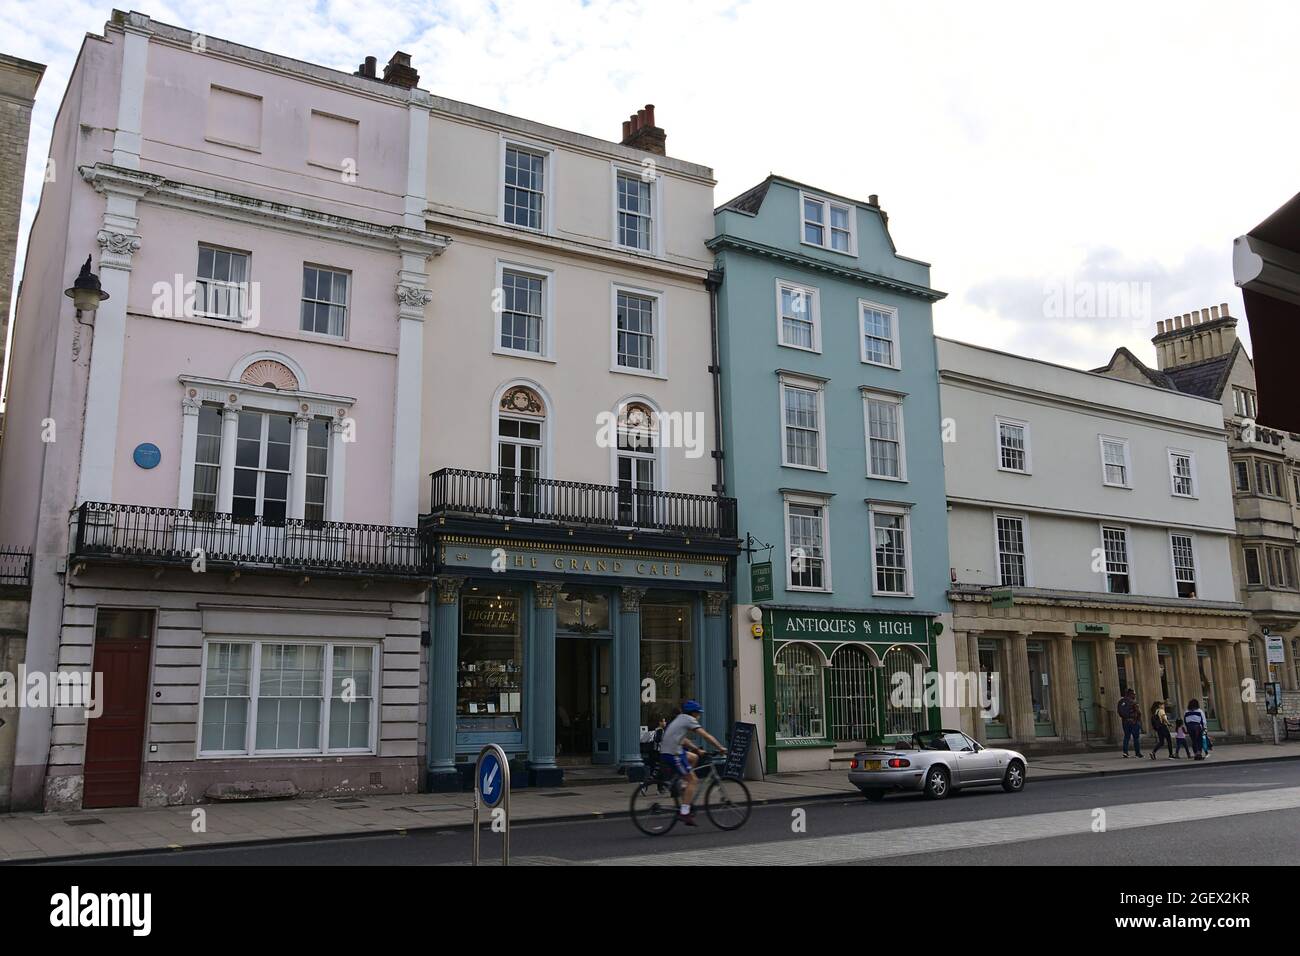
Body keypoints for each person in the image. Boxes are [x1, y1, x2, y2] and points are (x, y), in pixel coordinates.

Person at [659, 699, 726, 826]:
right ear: (693, 713)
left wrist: (696, 750)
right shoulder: (689, 720)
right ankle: (684, 812)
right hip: (673, 754)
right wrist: (720, 748)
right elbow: (705, 735)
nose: (699, 715)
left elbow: (683, 740)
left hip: (674, 751)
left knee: (694, 758)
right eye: (698, 713)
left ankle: (683, 784)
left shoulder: (680, 718)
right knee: (693, 780)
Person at [1117, 687, 1143, 758]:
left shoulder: (1120, 702)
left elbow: (1119, 712)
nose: (1135, 695)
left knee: (1126, 737)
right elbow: (1139, 712)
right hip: (1133, 721)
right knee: (1136, 738)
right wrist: (1139, 721)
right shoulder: (1133, 702)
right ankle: (1137, 753)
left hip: (1125, 721)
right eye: (1134, 694)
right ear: (1131, 694)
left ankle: (1125, 752)